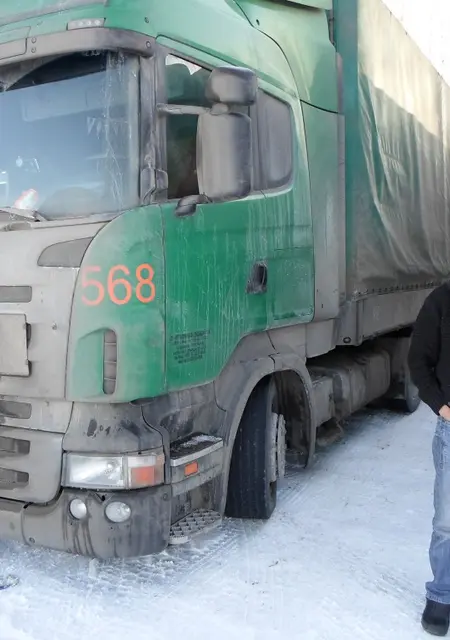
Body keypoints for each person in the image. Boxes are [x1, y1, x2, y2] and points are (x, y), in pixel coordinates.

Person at [409, 283, 450, 636]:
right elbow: (418, 360)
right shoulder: (441, 301)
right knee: (447, 522)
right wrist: (441, 406)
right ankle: (441, 594)